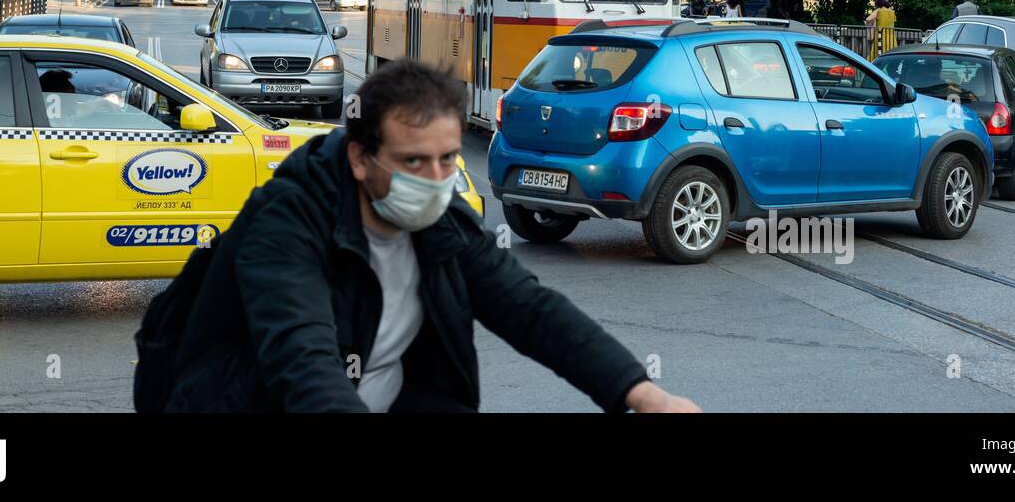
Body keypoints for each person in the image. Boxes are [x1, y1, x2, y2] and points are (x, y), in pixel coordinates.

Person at [160, 59, 700, 413]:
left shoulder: (437, 222)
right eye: (412, 161)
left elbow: (529, 309)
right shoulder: (286, 223)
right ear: (358, 157)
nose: (435, 180)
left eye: (446, 159)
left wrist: (641, 392)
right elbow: (302, 362)